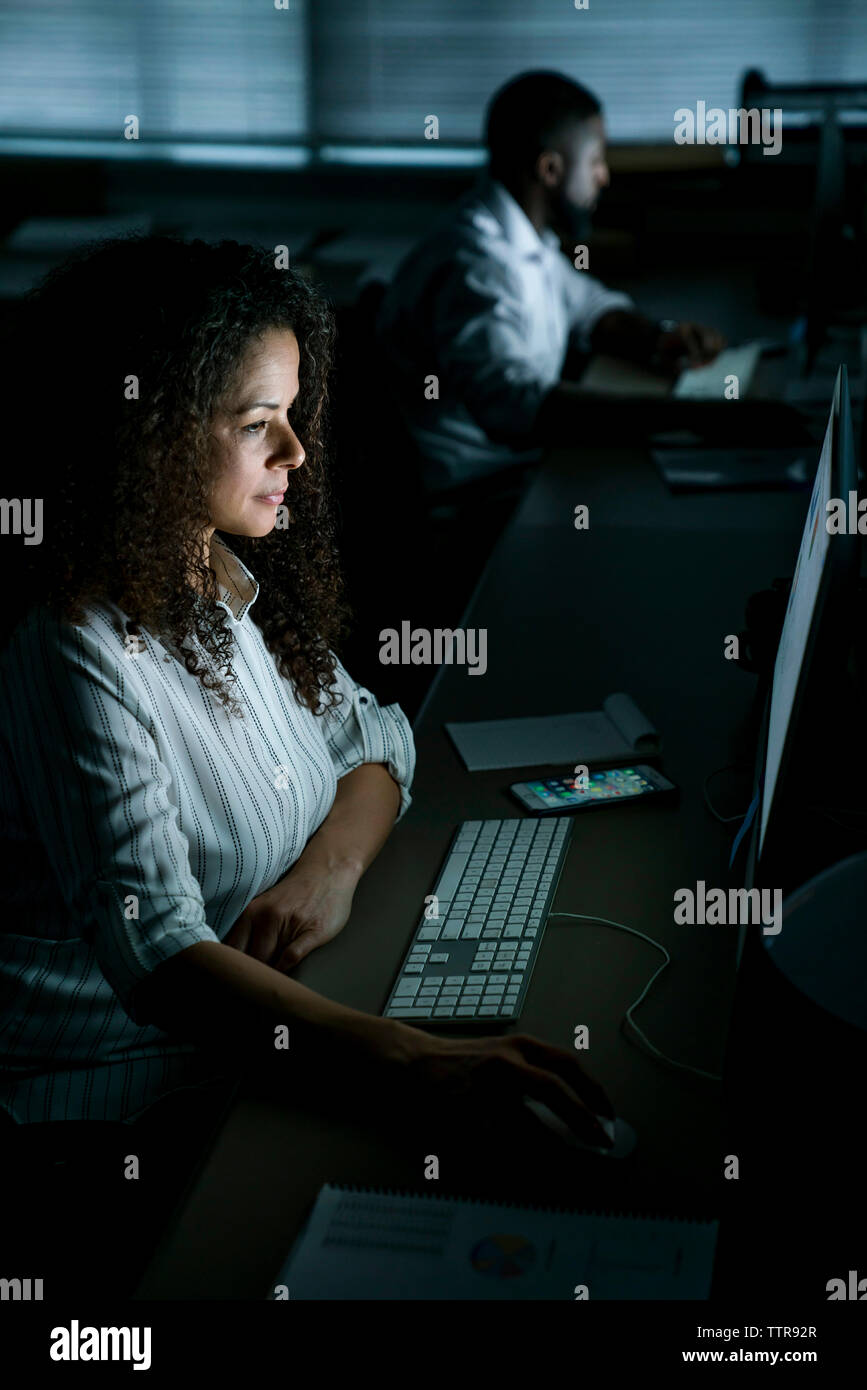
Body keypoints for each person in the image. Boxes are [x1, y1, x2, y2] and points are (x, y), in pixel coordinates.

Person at [0, 236, 615, 1291]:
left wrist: (329, 871)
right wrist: (417, 1058)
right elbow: (161, 961)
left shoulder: (212, 569)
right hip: (110, 1107)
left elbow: (376, 734)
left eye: (294, 412)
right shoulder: (71, 642)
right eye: (257, 424)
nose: (296, 451)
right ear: (145, 433)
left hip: (262, 1027)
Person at [376, 69, 731, 499]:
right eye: (596, 160)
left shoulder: (522, 235)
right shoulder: (479, 265)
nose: (604, 177)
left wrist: (661, 337)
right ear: (550, 169)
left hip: (514, 468)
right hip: (473, 494)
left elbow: (587, 305)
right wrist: (691, 416)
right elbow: (517, 407)